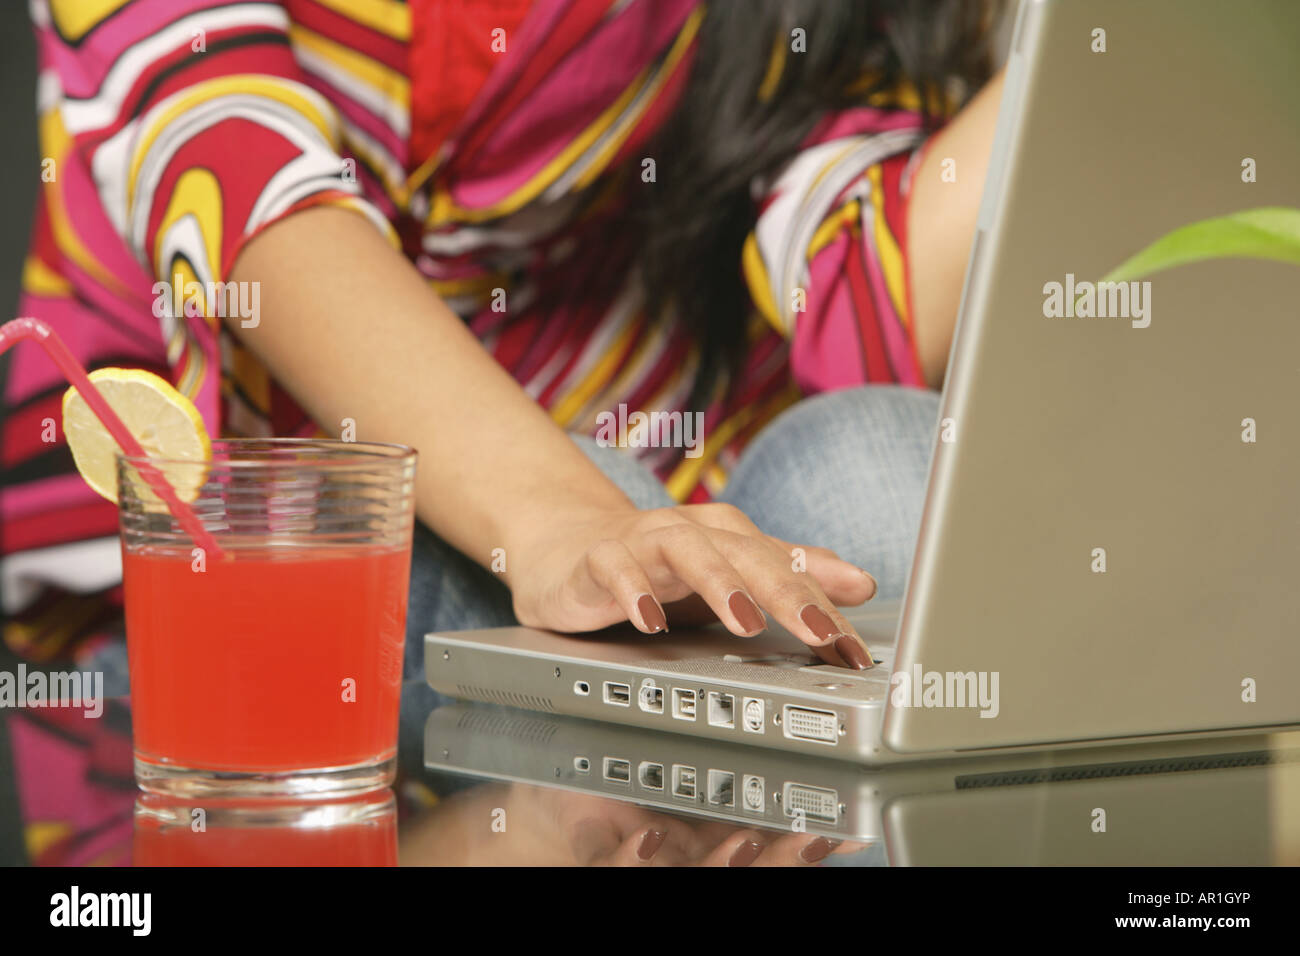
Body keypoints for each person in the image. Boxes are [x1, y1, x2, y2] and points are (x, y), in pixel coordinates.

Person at [2, 0, 1004, 687]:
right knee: (595, 540)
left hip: (675, 472)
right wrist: (562, 516)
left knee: (888, 457)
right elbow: (231, 167)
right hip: (244, 540)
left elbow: (869, 290)